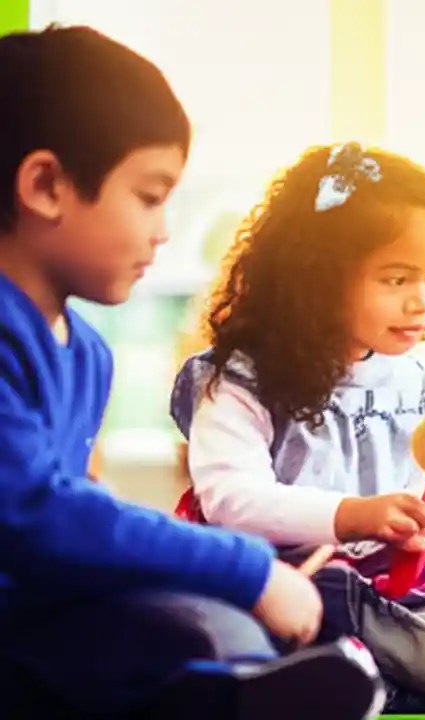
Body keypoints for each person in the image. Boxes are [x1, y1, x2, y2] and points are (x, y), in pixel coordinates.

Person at [0, 25, 382, 719]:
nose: (165, 230)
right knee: (201, 625)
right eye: (149, 197)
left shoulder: (87, 352)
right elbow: (37, 517)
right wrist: (246, 568)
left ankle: (229, 687)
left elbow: (82, 515)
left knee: (209, 623)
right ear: (46, 185)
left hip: (38, 616)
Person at [168, 142, 425, 711]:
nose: (423, 302)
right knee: (290, 607)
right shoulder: (241, 378)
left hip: (385, 598)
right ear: (319, 279)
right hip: (272, 586)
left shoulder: (422, 388)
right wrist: (351, 516)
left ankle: (370, 672)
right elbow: (231, 500)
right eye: (397, 279)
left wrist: (423, 533)